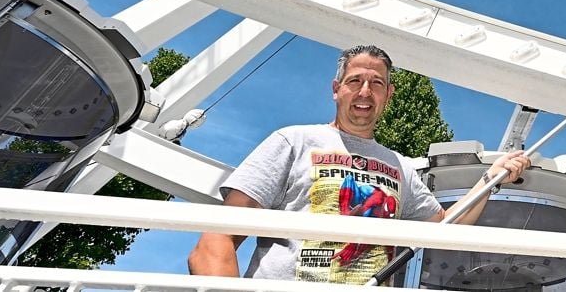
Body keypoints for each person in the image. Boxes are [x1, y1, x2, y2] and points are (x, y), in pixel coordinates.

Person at [188, 44, 530, 283]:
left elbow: (445, 230)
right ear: (337, 90)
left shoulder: (398, 167)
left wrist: (490, 179)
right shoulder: (293, 141)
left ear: (388, 95)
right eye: (355, 81)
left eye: (376, 83)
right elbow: (217, 238)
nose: (365, 92)